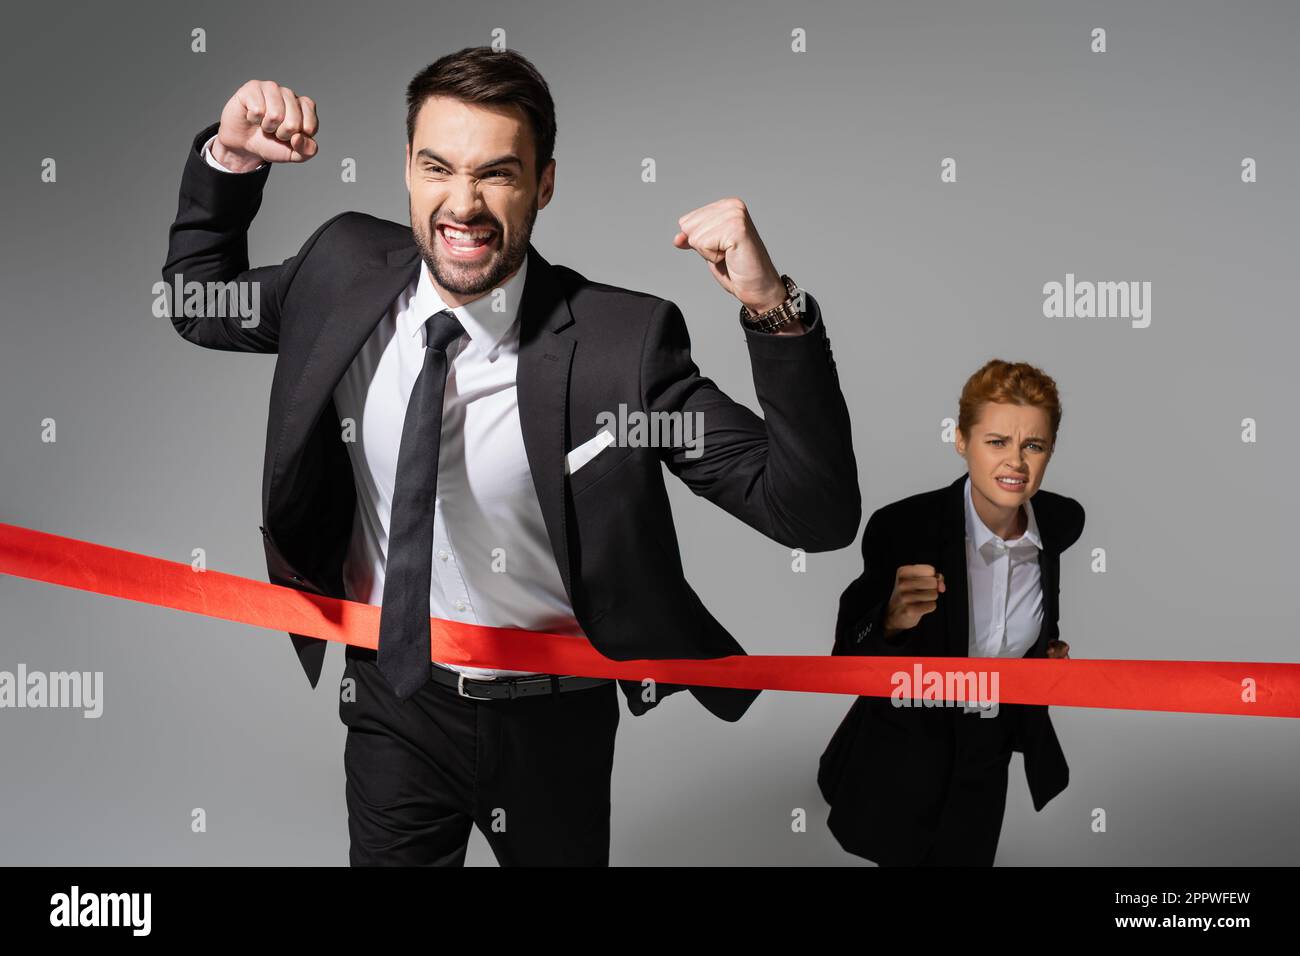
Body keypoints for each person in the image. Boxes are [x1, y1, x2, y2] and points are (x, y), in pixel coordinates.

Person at [161, 46, 860, 865]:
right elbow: (195, 304)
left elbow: (810, 514)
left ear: (545, 184)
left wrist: (774, 309)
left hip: (554, 718)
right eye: (437, 167)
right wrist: (233, 158)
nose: (464, 204)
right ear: (408, 172)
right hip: (394, 700)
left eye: (498, 174)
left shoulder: (617, 347)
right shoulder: (340, 271)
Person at [817, 359, 1084, 865]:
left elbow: (1024, 621)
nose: (1017, 463)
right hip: (901, 757)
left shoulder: (1059, 523)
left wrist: (1044, 659)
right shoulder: (903, 527)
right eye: (997, 441)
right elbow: (845, 658)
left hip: (987, 755)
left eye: (1034, 445)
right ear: (961, 441)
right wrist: (892, 620)